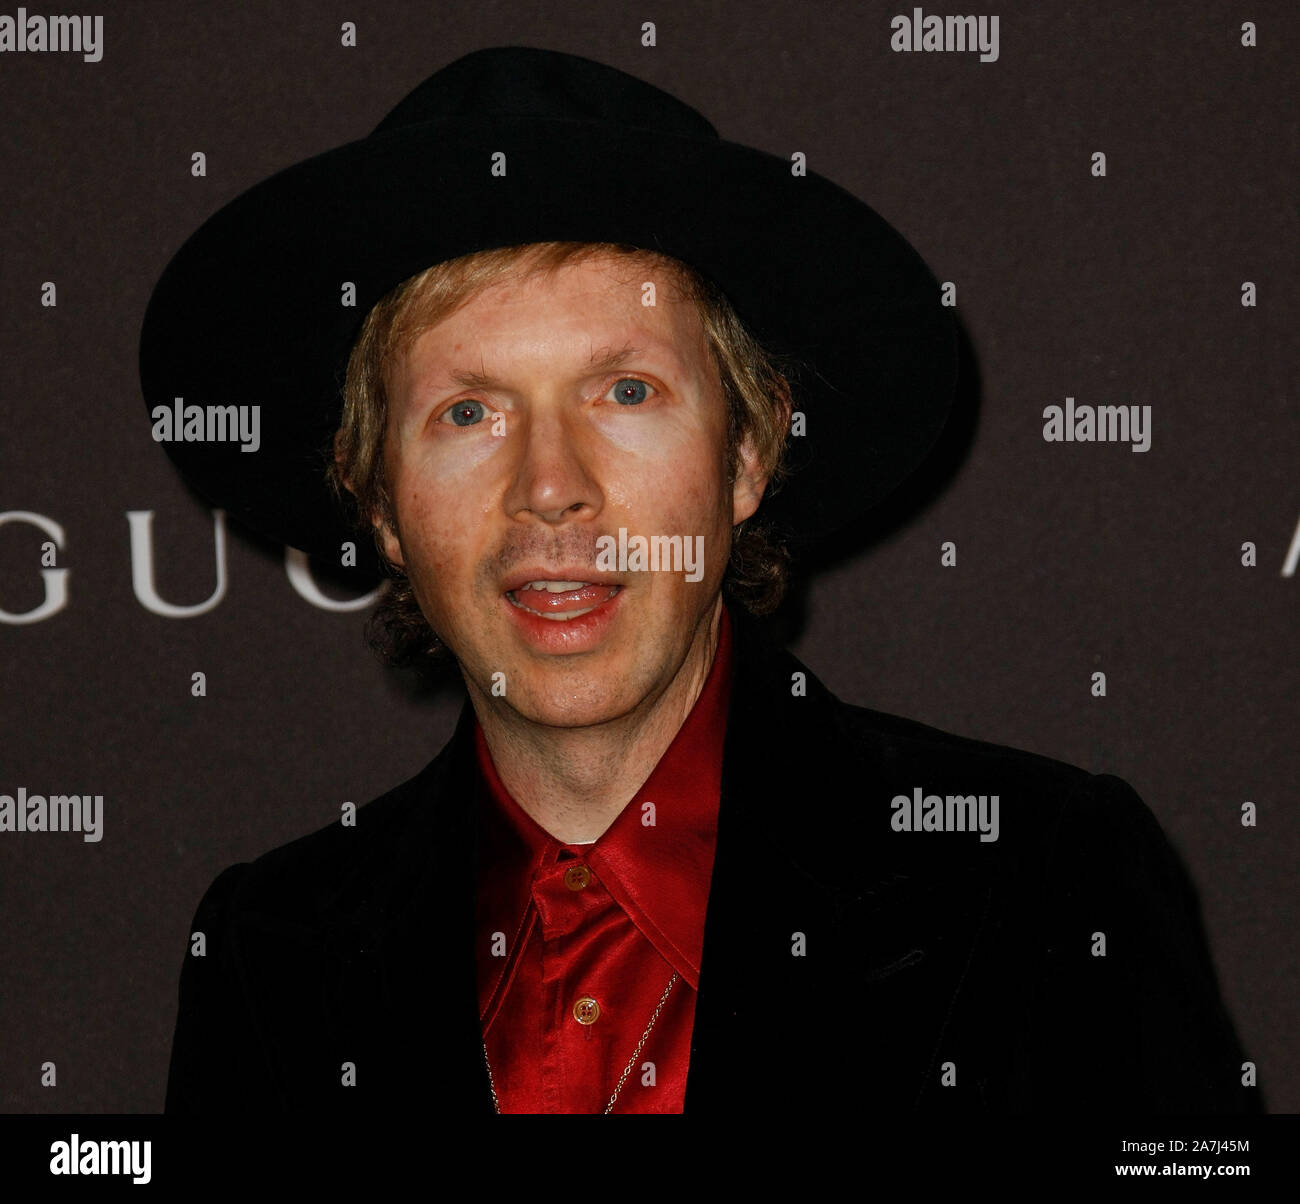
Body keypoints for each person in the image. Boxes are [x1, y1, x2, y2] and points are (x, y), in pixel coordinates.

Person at [144, 46, 1255, 1114]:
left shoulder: (1044, 885)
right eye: (467, 413)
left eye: (625, 392)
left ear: (747, 452)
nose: (550, 488)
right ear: (380, 501)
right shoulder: (270, 956)